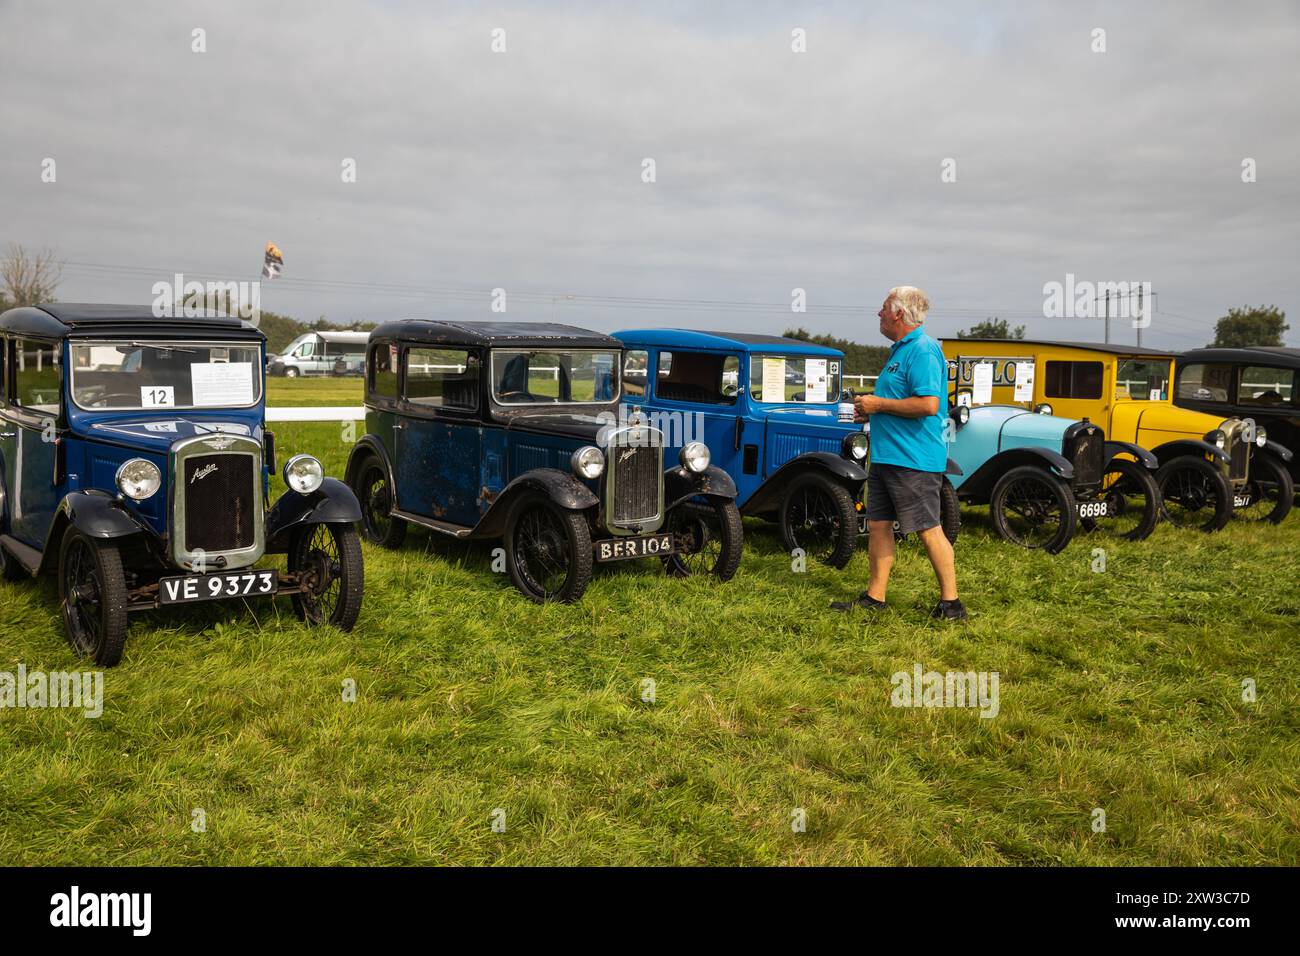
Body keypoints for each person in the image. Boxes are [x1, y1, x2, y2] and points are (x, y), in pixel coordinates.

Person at [831, 286, 966, 620]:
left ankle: (952, 604)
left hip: (914, 460)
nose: (878, 314)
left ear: (899, 314)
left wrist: (879, 404)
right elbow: (900, 401)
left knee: (927, 528)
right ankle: (875, 598)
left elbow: (928, 404)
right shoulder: (899, 351)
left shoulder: (922, 350)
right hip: (888, 457)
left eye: (882, 308)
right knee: (878, 525)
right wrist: (872, 411)